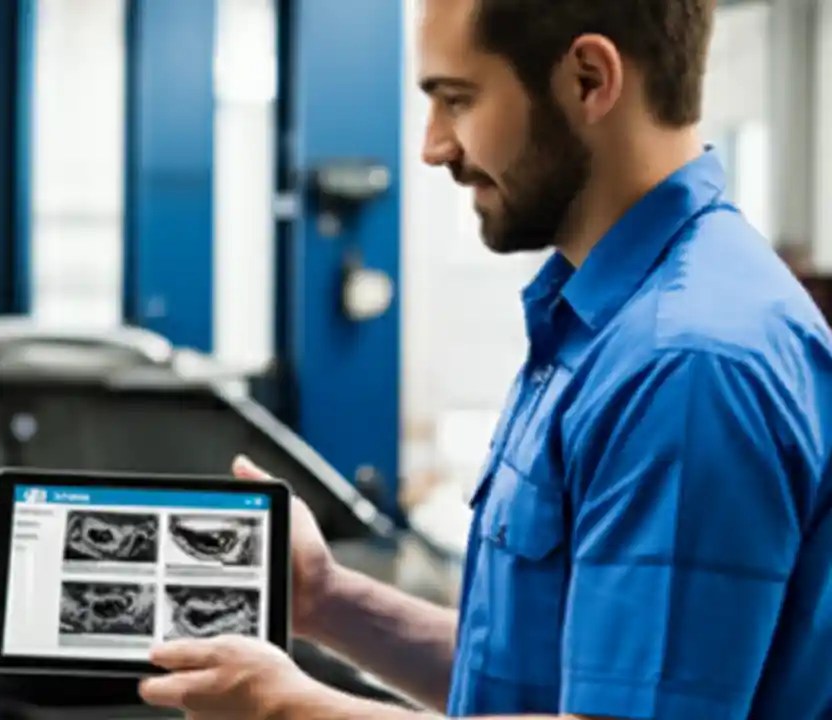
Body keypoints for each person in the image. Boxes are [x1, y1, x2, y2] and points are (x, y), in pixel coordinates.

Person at [139, 0, 832, 718]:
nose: (434, 147)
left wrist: (282, 709)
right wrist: (327, 600)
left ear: (590, 79)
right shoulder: (605, 323)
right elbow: (538, 678)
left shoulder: (685, 364)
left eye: (457, 100)